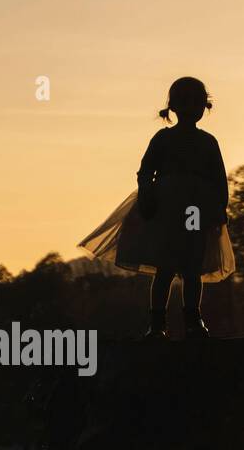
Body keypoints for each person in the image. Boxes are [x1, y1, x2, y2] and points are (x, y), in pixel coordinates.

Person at [78, 77, 235, 338]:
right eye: (185, 102)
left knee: (191, 267)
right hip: (168, 211)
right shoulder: (166, 139)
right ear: (174, 107)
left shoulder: (207, 142)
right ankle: (160, 324)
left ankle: (189, 321)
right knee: (168, 266)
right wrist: (147, 198)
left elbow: (218, 179)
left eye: (194, 102)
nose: (189, 108)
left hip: (192, 210)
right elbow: (145, 172)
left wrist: (220, 208)